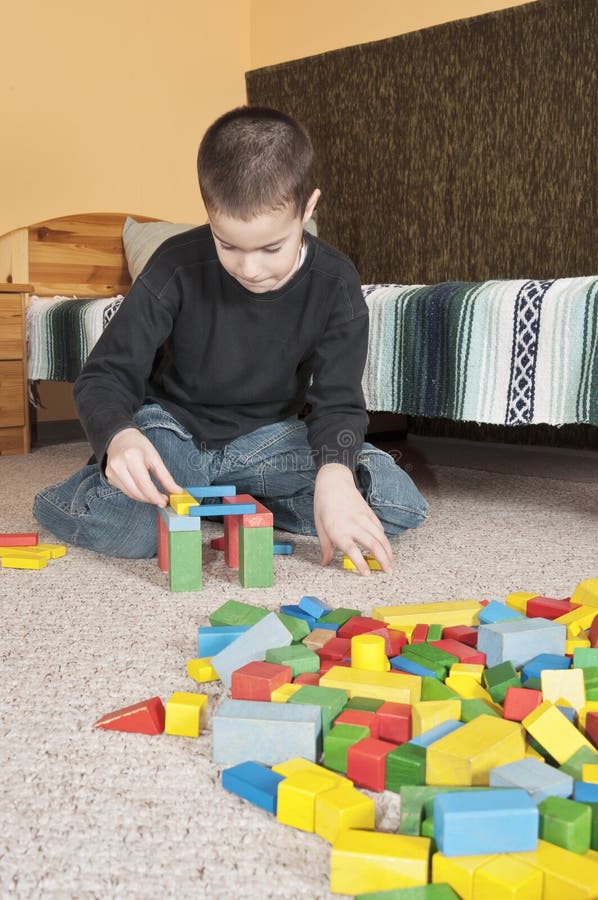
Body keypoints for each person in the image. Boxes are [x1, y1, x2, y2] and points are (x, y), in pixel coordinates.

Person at [33, 106, 428, 576]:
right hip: (174, 430)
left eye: (271, 247)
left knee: (395, 501)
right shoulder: (175, 265)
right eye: (229, 245)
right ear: (209, 213)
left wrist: (336, 474)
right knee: (134, 535)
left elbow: (339, 400)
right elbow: (104, 375)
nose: (250, 269)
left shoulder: (335, 281)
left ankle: (217, 501)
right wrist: (117, 438)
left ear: (309, 207)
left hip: (265, 442)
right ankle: (90, 490)